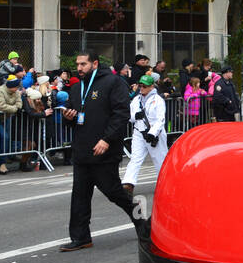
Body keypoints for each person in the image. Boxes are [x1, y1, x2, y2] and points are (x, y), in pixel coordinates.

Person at [60, 53, 140, 252]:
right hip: (81, 151)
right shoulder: (77, 87)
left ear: (94, 63)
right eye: (77, 64)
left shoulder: (113, 82)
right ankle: (80, 237)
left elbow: (121, 114)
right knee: (79, 195)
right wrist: (68, 116)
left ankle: (143, 220)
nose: (79, 67)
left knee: (115, 193)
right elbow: (72, 115)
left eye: (83, 64)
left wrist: (107, 139)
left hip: (104, 151)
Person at [123, 74, 168, 193]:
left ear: (151, 87)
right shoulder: (136, 100)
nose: (141, 88)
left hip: (155, 134)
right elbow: (128, 116)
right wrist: (135, 116)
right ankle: (128, 184)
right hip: (139, 132)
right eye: (140, 86)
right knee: (135, 158)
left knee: (160, 160)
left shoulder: (158, 100)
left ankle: (166, 183)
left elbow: (160, 119)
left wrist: (152, 133)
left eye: (144, 86)